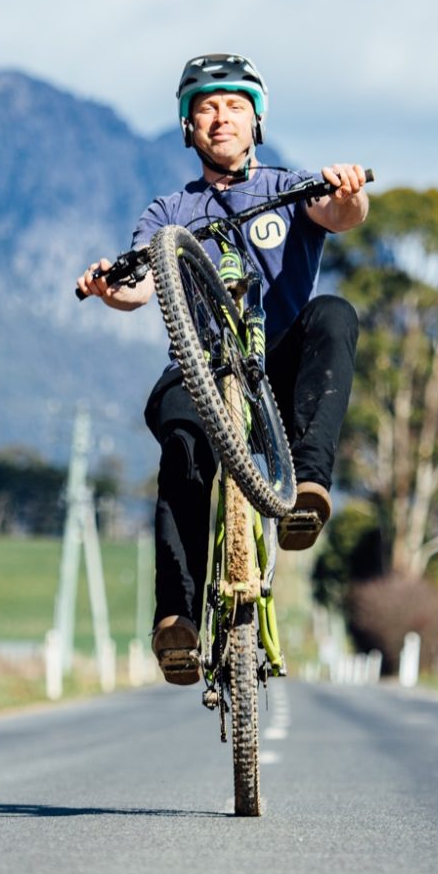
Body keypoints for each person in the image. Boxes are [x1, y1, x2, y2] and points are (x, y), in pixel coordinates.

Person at [76, 53, 368, 684]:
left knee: (335, 313)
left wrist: (350, 193)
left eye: (234, 106)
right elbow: (138, 285)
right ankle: (176, 620)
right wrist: (108, 286)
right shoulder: (168, 213)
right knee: (182, 448)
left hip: (277, 365)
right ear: (189, 126)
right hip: (201, 368)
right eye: (206, 108)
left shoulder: (288, 186)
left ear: (256, 120)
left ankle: (306, 492)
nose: (220, 118)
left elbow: (340, 215)